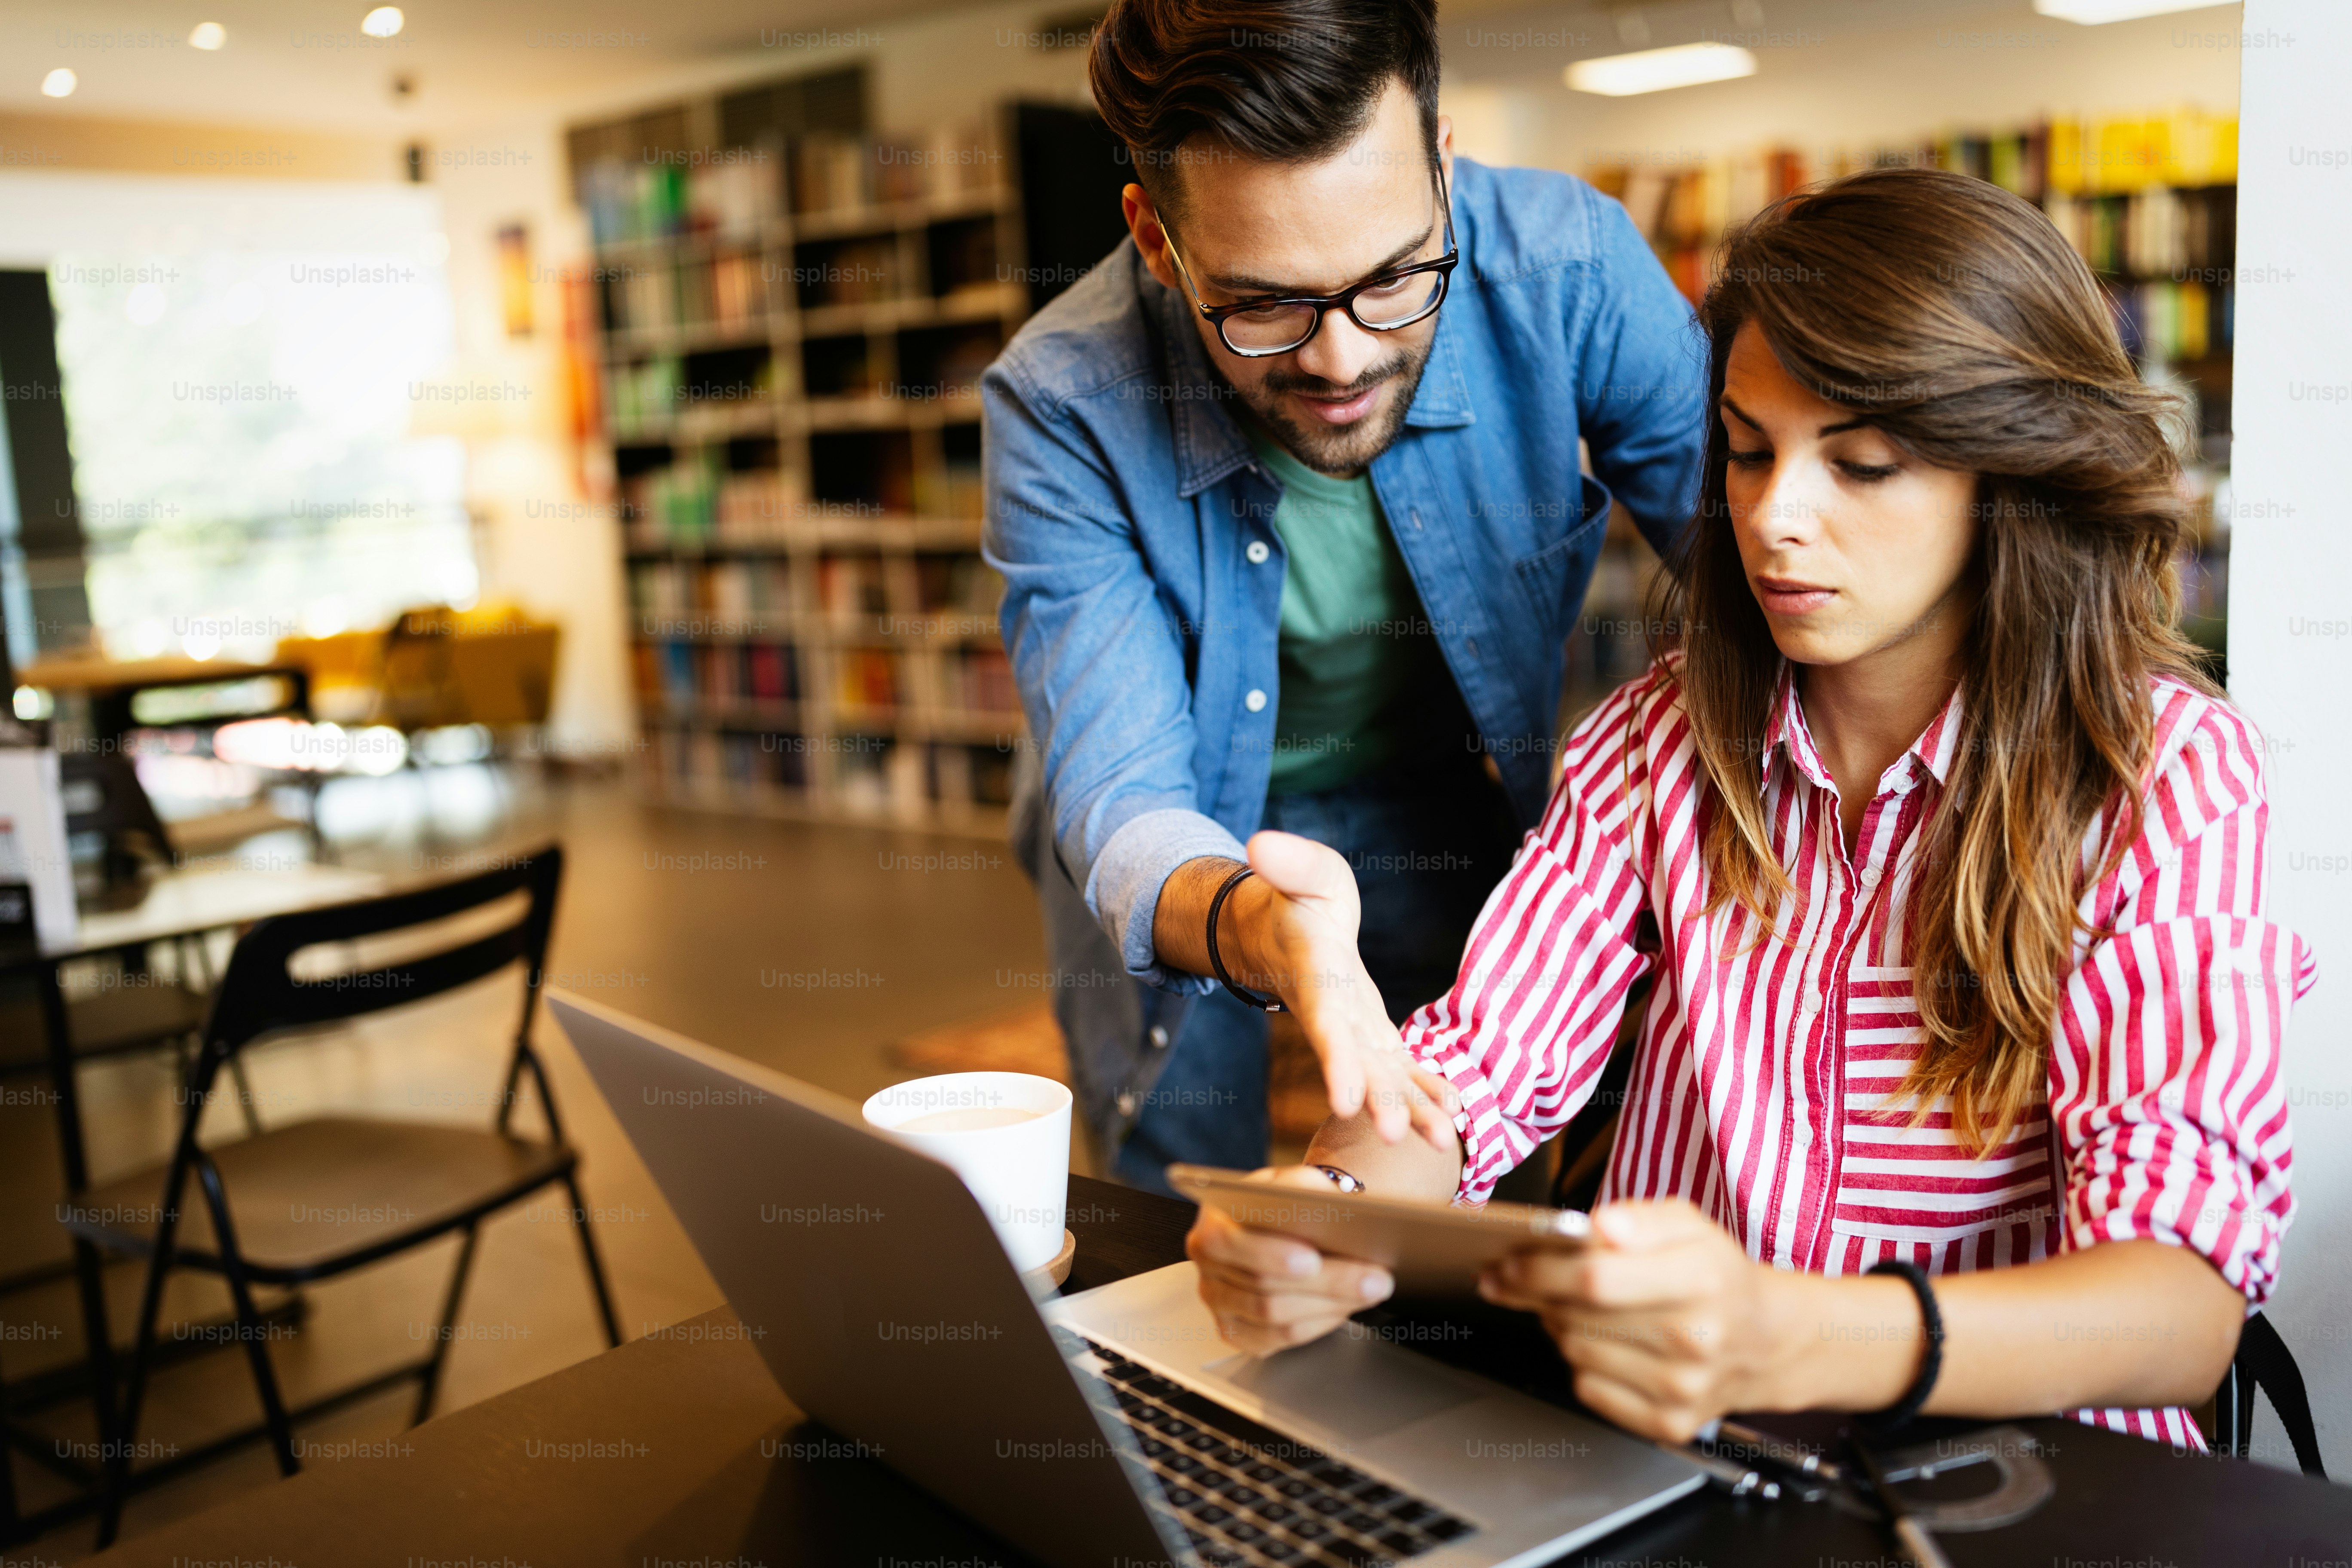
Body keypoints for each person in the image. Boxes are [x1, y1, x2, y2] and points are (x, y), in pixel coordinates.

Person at [1185, 166, 2314, 1449]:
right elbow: (1472, 1075)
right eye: (1747, 450)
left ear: (2015, 474)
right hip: (1681, 1456)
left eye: (1865, 464)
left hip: (2027, 1488)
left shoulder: (2165, 774)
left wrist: (1789, 1335)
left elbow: (2180, 1307)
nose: (1776, 518)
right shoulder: (1656, 741)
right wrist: (1327, 1220)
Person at [983, 0, 1707, 1190]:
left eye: (1396, 276)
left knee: (1465, 1154)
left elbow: (1761, 564)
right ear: (1157, 240)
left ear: (1443, 168)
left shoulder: (1569, 268)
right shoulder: (1062, 401)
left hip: (1444, 791)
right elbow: (1124, 799)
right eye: (1265, 303)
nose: (1343, 359)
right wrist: (1261, 928)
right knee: (1181, 1197)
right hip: (1191, 831)